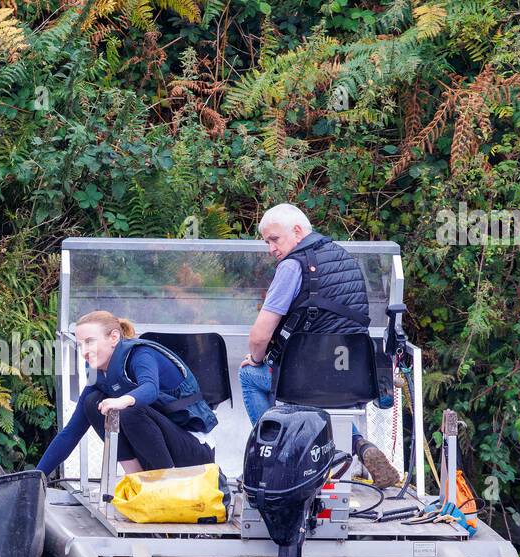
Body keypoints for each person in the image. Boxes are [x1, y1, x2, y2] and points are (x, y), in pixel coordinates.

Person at [239, 203, 401, 486]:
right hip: (353, 381)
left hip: (300, 381)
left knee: (250, 376)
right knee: (320, 398)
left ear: (298, 231)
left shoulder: (292, 266)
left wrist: (255, 359)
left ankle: (275, 455)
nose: (270, 249)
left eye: (274, 239)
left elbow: (259, 336)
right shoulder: (345, 258)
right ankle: (362, 446)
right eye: (266, 242)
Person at [35, 310, 217, 477]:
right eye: (80, 345)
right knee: (92, 402)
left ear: (114, 337)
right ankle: (136, 478)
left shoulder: (140, 354)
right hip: (157, 451)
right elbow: (71, 432)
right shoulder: (99, 373)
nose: (83, 352)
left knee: (130, 410)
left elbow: (150, 389)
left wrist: (123, 400)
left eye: (90, 342)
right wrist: (36, 476)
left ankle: (165, 486)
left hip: (194, 451)